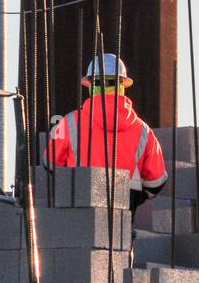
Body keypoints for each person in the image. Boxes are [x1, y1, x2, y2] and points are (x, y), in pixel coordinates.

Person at [45, 53, 168, 212]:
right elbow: (156, 181)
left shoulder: (68, 122)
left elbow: (50, 163)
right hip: (123, 213)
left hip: (78, 209)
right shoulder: (143, 130)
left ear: (90, 84)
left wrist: (77, 184)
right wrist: (132, 199)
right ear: (122, 85)